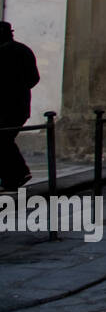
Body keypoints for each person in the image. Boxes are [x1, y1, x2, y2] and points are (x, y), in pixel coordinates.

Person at [0, 22, 39, 190]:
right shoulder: (24, 50)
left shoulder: (3, 52)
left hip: (4, 107)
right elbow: (34, 79)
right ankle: (13, 177)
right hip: (20, 106)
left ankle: (18, 173)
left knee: (2, 140)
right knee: (4, 140)